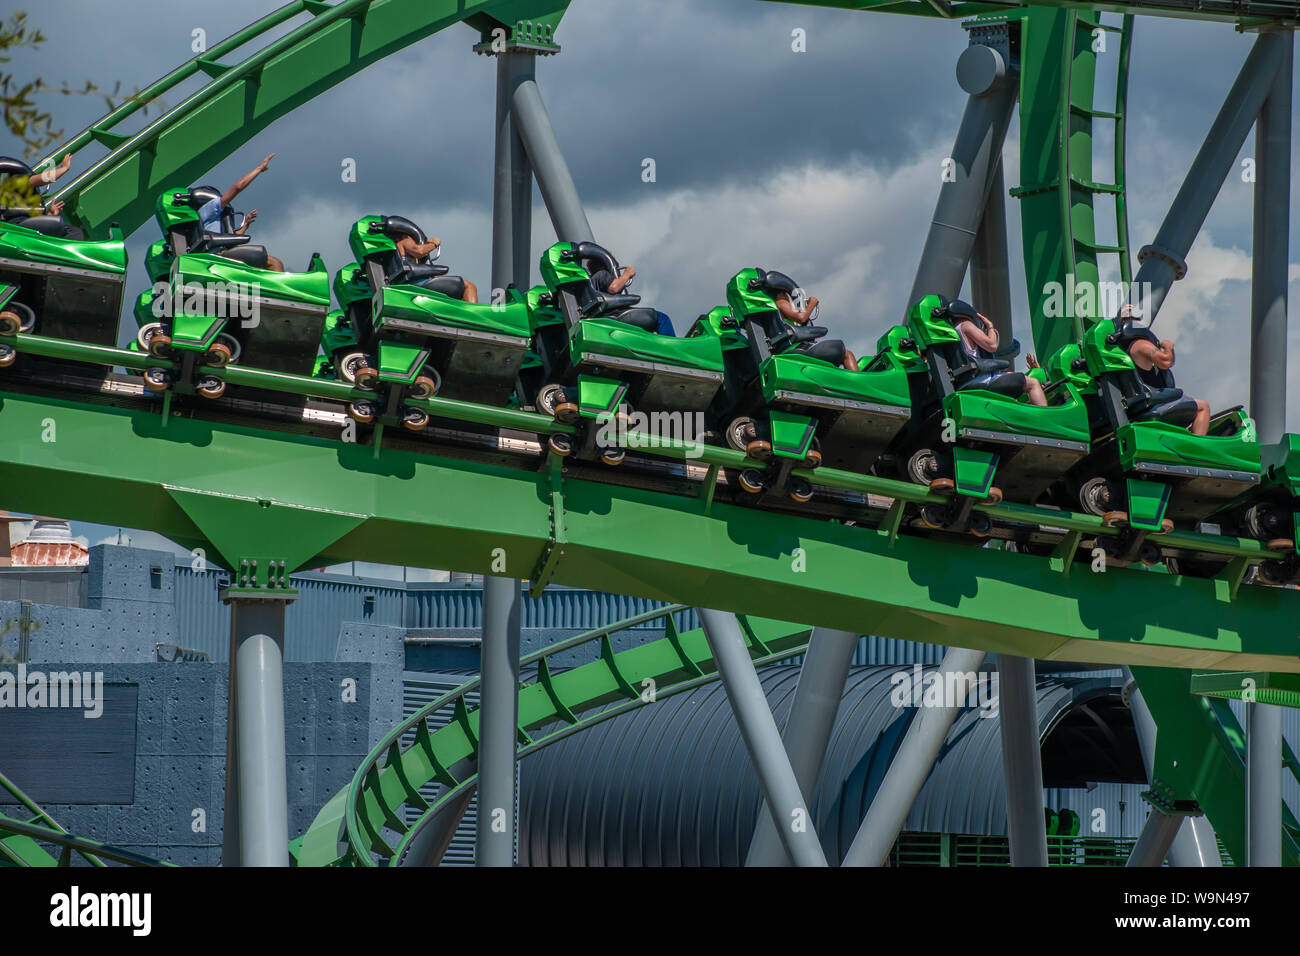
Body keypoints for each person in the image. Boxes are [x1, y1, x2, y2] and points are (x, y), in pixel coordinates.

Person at [1115, 303, 1210, 435]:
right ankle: (1198, 448)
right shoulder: (1140, 345)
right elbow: (1166, 361)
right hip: (1153, 406)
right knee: (1203, 406)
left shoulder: (1122, 350)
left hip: (1142, 405)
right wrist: (1168, 347)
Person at [948, 299, 1045, 406]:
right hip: (981, 380)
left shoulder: (951, 332)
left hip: (965, 383)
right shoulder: (965, 325)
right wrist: (990, 327)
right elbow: (992, 345)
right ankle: (1045, 419)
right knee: (1033, 383)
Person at [197, 154, 284, 271]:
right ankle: (277, 290)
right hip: (217, 256)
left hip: (220, 252)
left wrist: (246, 225)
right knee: (274, 263)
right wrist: (259, 169)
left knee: (272, 263)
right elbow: (238, 186)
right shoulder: (210, 208)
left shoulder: (207, 218)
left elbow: (231, 239)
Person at [771, 278, 859, 371]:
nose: (789, 296)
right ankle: (860, 383)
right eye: (787, 293)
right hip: (796, 347)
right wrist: (812, 304)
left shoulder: (779, 307)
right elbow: (801, 318)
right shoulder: (781, 302)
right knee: (847, 354)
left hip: (797, 346)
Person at [392, 230, 478, 303]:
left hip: (410, 282)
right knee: (468, 285)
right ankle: (474, 316)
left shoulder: (394, 246)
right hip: (418, 283)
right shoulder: (405, 240)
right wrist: (434, 244)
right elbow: (419, 251)